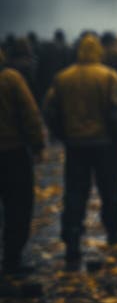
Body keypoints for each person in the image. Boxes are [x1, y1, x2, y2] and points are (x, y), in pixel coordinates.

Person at [43, 34, 117, 267]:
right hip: (104, 144)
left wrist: (63, 134)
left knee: (75, 193)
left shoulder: (63, 78)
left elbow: (50, 111)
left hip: (76, 145)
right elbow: (116, 112)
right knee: (110, 189)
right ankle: (114, 232)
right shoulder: (109, 76)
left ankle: (72, 239)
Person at [0, 49, 45, 274]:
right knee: (18, 205)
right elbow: (30, 113)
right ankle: (12, 258)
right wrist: (37, 145)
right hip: (12, 151)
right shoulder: (10, 78)